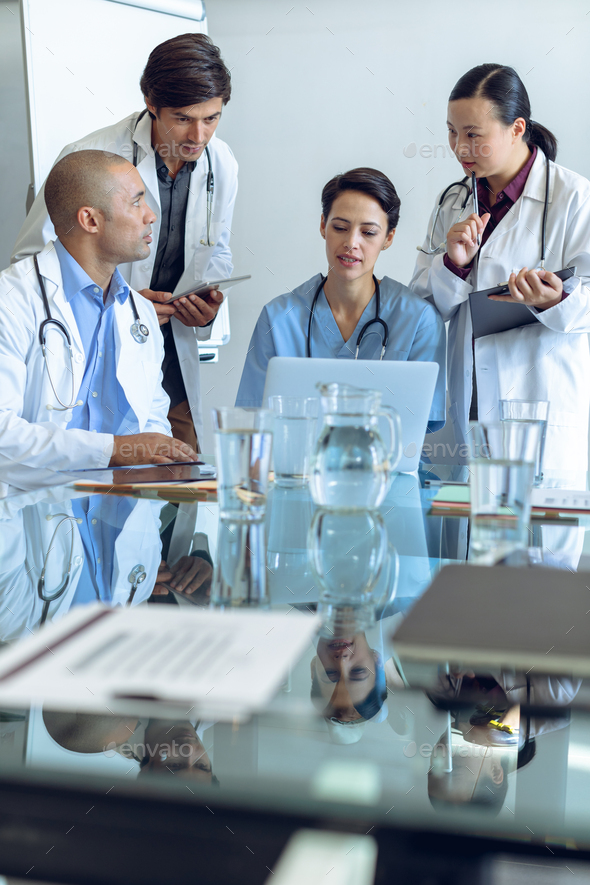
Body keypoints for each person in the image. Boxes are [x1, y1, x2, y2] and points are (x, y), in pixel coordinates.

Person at [12, 33, 238, 452]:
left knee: (174, 477)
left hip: (167, 354)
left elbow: (216, 250)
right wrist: (120, 300)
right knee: (91, 465)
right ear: (151, 102)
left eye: (212, 118)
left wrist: (205, 310)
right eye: (183, 117)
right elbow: (31, 262)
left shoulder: (220, 162)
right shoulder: (90, 157)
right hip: (90, 350)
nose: (198, 135)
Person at [410, 64, 590, 481]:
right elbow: (421, 306)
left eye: (474, 134)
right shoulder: (453, 200)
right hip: (466, 404)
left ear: (516, 128)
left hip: (539, 403)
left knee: (534, 541)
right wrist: (453, 265)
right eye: (452, 132)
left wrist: (554, 299)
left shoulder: (574, 198)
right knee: (466, 539)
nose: (459, 147)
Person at [0, 149, 197, 494]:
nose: (151, 215)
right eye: (137, 203)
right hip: (31, 516)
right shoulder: (11, 302)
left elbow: (153, 421)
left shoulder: (140, 311)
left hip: (124, 515)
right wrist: (114, 450)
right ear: (90, 220)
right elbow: (3, 434)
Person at [236, 168, 446, 430]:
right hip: (296, 468)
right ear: (323, 226)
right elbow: (254, 421)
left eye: (368, 233)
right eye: (340, 227)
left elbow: (419, 427)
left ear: (388, 238)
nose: (351, 243)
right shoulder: (278, 318)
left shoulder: (418, 320)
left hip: (386, 469)